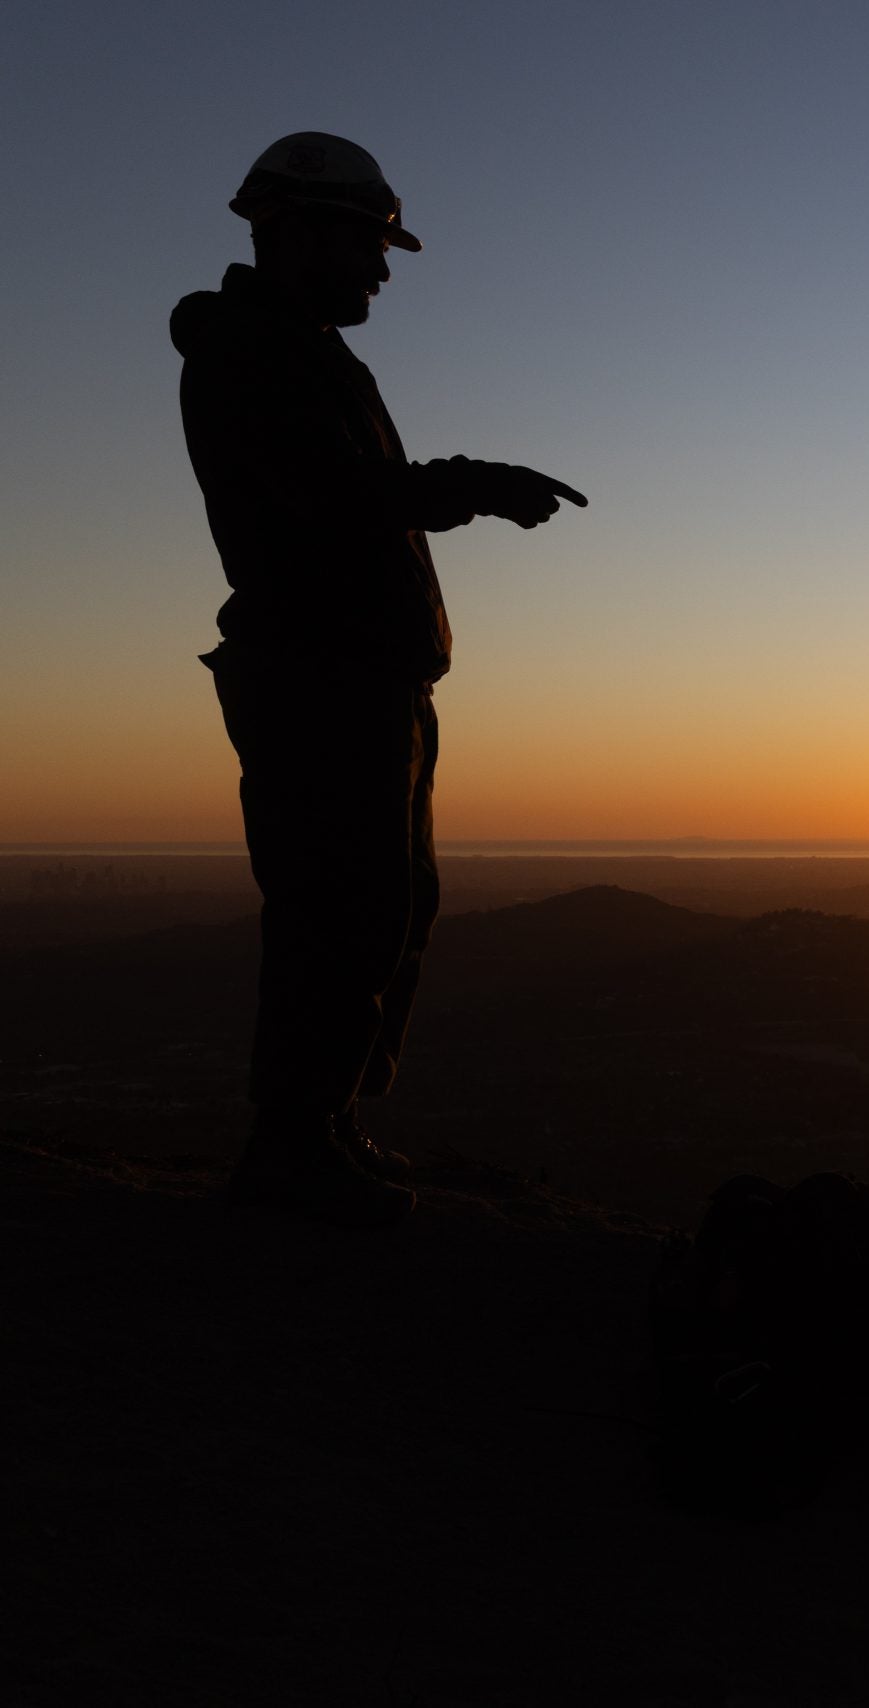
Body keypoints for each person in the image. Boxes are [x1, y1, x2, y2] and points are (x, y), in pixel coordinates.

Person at [172, 133, 588, 1227]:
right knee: (336, 910)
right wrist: (475, 484)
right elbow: (336, 492)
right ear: (295, 231)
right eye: (367, 245)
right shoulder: (250, 354)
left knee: (385, 909)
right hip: (318, 678)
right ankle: (292, 1147)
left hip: (363, 678)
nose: (382, 271)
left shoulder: (300, 350)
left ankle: (325, 1127)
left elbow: (348, 491)